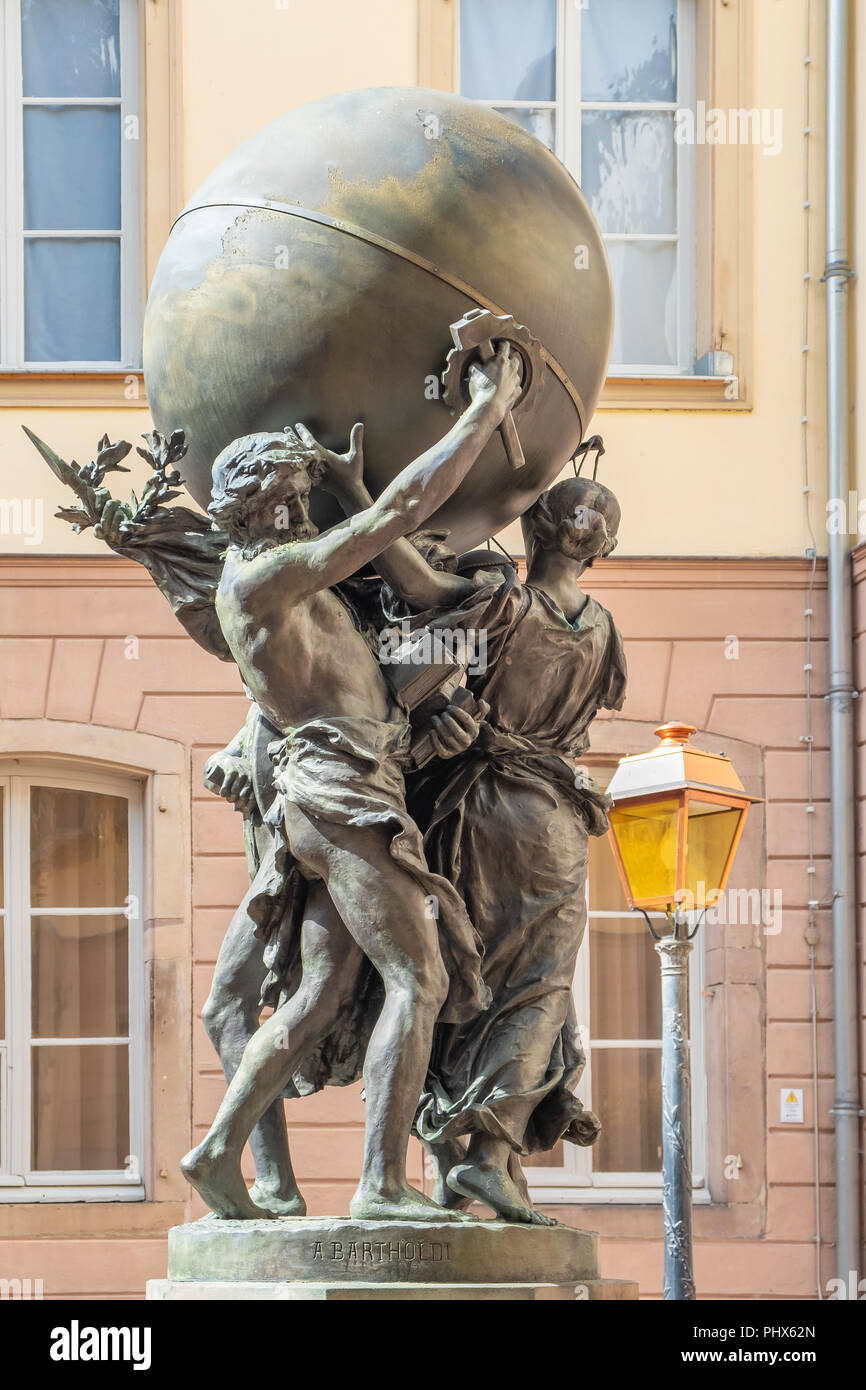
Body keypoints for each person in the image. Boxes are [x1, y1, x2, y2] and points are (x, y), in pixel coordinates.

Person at [180, 343, 521, 1221]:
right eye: (290, 498)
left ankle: (218, 1155)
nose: (303, 510)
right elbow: (400, 513)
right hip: (341, 796)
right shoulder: (266, 578)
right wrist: (484, 410)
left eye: (303, 497)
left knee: (321, 993)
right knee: (418, 978)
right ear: (258, 506)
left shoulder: (263, 573)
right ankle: (379, 1187)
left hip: (338, 792)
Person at [330, 470, 626, 1223]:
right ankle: (488, 1158)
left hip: (481, 808)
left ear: (532, 530)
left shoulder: (503, 603)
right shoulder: (603, 631)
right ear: (604, 548)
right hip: (552, 819)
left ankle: (461, 1157)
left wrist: (363, 503)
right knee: (538, 988)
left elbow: (420, 594)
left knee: (466, 984)